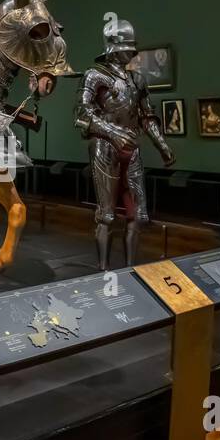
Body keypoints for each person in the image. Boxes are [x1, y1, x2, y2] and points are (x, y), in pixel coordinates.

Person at [74, 19, 175, 269]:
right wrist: (112, 131)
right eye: (128, 46)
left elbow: (146, 117)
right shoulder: (94, 75)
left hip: (132, 149)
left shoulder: (137, 80)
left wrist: (162, 146)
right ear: (115, 46)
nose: (132, 51)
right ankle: (103, 270)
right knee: (106, 216)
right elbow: (81, 114)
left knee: (136, 216)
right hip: (105, 148)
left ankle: (132, 269)